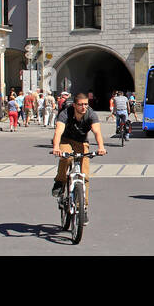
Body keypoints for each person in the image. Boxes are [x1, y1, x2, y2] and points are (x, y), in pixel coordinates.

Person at [50, 92, 106, 222]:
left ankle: (83, 208)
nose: (83, 107)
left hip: (81, 142)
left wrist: (101, 147)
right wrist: (56, 147)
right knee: (67, 157)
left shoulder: (91, 114)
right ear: (74, 105)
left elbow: (97, 131)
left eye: (86, 104)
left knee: (85, 175)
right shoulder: (66, 113)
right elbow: (58, 131)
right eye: (80, 104)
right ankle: (60, 181)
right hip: (66, 140)